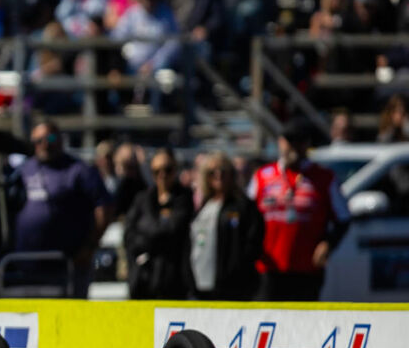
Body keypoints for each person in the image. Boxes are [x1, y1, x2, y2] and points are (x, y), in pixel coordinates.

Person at [248, 121, 351, 301]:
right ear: (280, 142)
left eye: (300, 141)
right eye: (290, 141)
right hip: (268, 268)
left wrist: (328, 243)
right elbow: (247, 215)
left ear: (307, 144)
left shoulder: (324, 178)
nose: (294, 147)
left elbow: (344, 219)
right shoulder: (262, 176)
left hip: (307, 270)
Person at [11, 121, 111, 297]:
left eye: (50, 138)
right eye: (38, 140)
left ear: (60, 139)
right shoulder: (25, 169)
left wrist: (90, 246)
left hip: (66, 266)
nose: (45, 144)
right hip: (27, 264)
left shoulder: (79, 170)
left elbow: (105, 207)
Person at [186, 152, 263, 300]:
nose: (218, 175)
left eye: (223, 171)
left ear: (232, 174)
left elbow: (254, 240)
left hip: (233, 286)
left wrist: (238, 269)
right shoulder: (203, 207)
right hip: (202, 283)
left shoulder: (243, 206)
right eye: (212, 172)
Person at [123, 148, 193, 299]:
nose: (162, 175)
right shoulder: (142, 199)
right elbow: (129, 235)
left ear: (175, 170)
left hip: (174, 281)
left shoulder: (185, 199)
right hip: (144, 279)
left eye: (167, 170)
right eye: (157, 171)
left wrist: (145, 232)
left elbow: (173, 231)